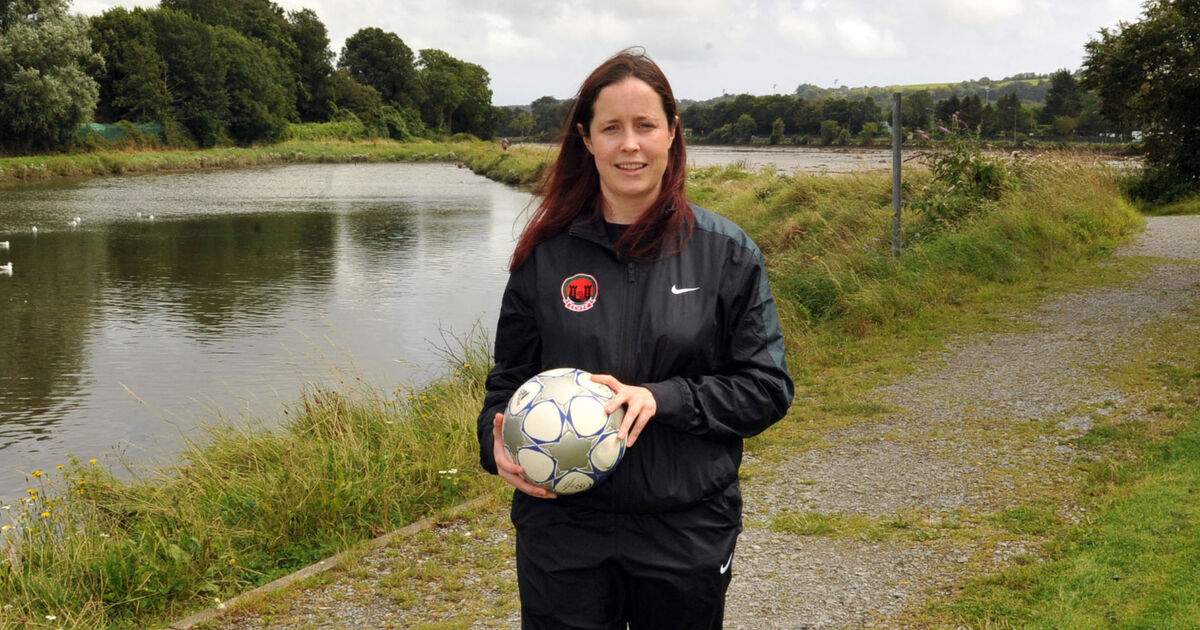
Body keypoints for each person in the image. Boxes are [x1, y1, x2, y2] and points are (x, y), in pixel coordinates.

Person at [476, 47, 793, 629]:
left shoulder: (727, 253)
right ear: (586, 138)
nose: (630, 145)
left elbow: (767, 388)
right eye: (611, 128)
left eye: (645, 126)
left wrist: (663, 398)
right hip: (562, 532)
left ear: (672, 133)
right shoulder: (545, 257)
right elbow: (506, 385)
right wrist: (492, 443)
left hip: (685, 527)